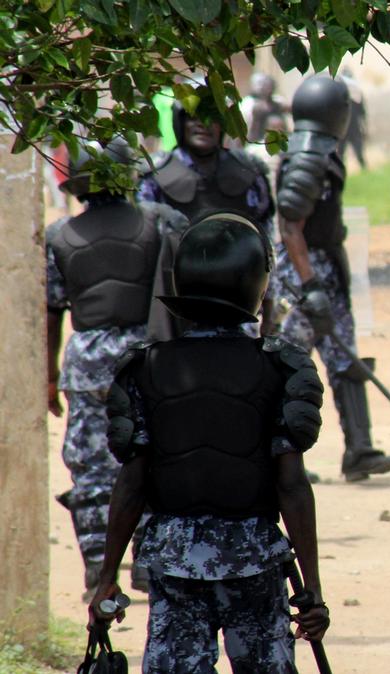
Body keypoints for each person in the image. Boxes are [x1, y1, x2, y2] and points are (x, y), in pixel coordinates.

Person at [88, 213, 330, 672]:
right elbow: (292, 485)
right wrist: (312, 590)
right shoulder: (280, 368)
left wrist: (106, 579)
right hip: (255, 561)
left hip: (173, 563)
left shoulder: (145, 369)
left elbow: (131, 484)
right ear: (257, 284)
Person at [46, 137, 188, 601]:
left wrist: (49, 376)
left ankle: (96, 570)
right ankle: (147, 561)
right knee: (151, 457)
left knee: (89, 472)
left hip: (86, 365)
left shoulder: (58, 236)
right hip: (145, 360)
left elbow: (52, 311)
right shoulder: (159, 223)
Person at [274, 74, 390, 482]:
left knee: (344, 357)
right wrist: (309, 286)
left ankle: (359, 450)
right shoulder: (307, 156)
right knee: (287, 365)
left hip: (323, 271)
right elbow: (290, 226)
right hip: (303, 276)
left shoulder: (320, 153)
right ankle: (279, 457)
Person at [137, 95, 277, 338]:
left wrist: (270, 305)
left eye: (212, 118)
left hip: (238, 303)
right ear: (180, 122)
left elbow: (265, 244)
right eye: (193, 117)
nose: (203, 124)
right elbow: (144, 243)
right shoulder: (155, 174)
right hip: (173, 302)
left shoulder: (249, 172)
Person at [239, 72, 289, 144]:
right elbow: (254, 128)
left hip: (277, 140)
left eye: (270, 86)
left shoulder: (278, 104)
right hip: (259, 140)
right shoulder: (256, 107)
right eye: (266, 86)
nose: (269, 89)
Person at [338, 68, 369, 171]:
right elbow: (362, 112)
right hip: (351, 125)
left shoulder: (340, 90)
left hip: (344, 125)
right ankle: (363, 168)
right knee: (354, 150)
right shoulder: (355, 90)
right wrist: (365, 127)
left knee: (343, 152)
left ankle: (340, 172)